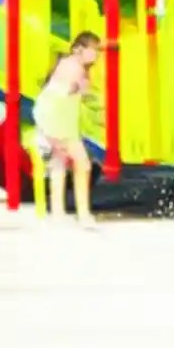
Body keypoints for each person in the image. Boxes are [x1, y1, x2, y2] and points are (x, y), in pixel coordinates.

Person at [33, 31, 101, 226]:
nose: (96, 55)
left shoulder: (71, 64)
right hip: (57, 122)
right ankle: (83, 213)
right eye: (93, 50)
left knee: (59, 166)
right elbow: (64, 93)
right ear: (80, 49)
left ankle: (57, 213)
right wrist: (80, 86)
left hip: (54, 120)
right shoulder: (73, 67)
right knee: (83, 164)